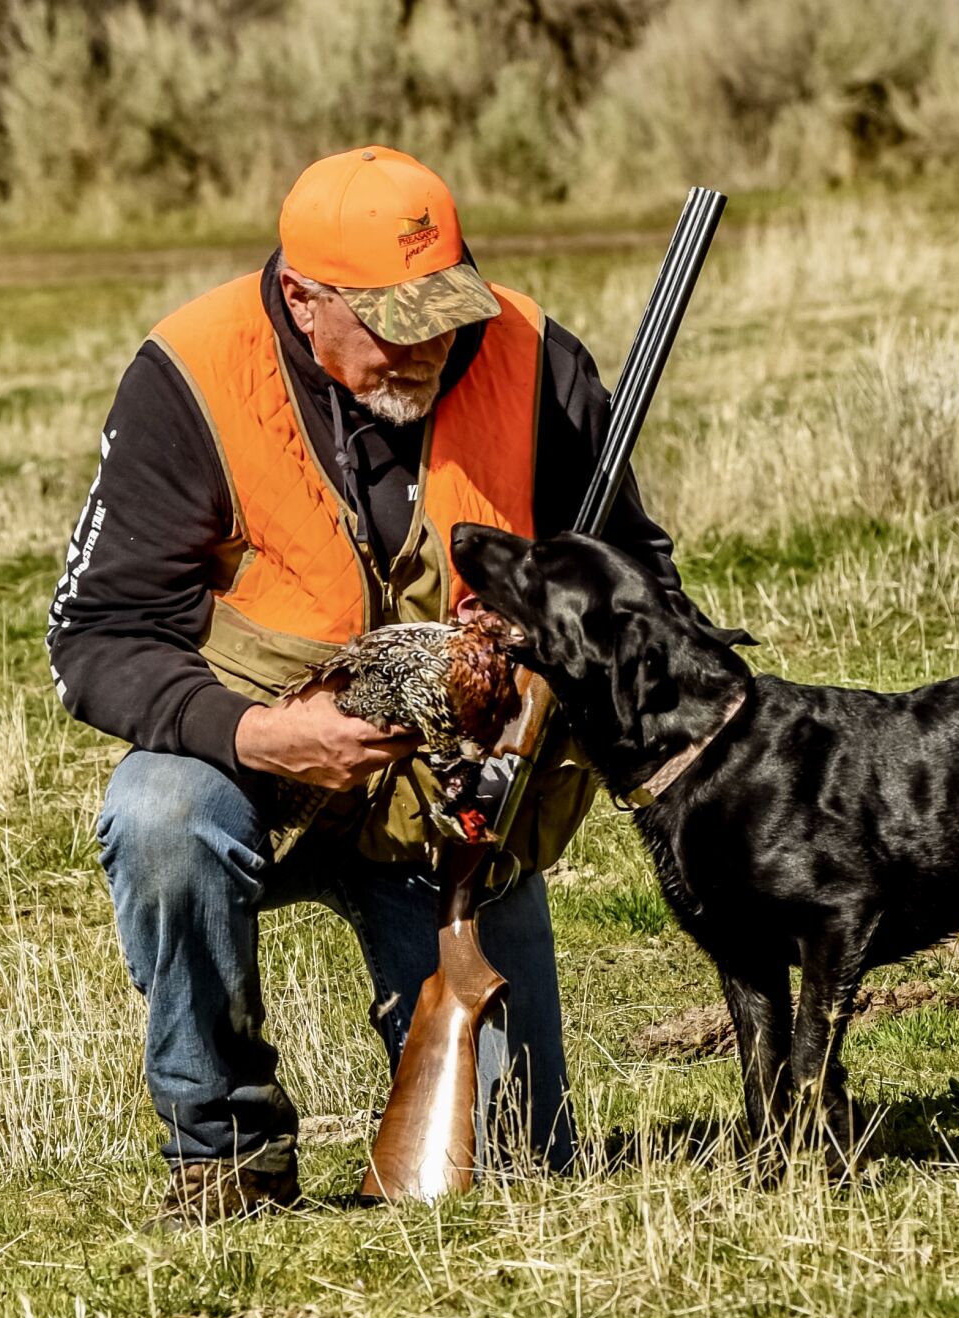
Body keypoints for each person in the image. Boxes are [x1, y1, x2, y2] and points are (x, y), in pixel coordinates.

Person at [47, 146, 681, 1229]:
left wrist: (541, 668)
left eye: (446, 307)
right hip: (257, 773)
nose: (431, 343)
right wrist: (254, 733)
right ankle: (228, 1152)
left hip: (455, 814)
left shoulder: (531, 356)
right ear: (302, 297)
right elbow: (97, 633)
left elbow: (642, 579)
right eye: (395, 319)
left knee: (517, 1173)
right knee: (159, 815)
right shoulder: (194, 372)